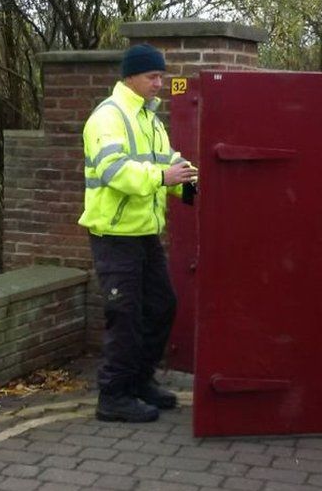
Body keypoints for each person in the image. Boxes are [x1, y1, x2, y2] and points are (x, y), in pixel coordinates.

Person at [79, 43, 198, 423]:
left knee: (162, 307)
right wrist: (164, 177)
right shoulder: (107, 118)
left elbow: (172, 164)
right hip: (114, 236)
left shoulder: (150, 120)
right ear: (130, 76)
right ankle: (113, 396)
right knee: (125, 315)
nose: (159, 83)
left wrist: (195, 185)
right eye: (152, 76)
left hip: (144, 234)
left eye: (161, 76)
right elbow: (115, 172)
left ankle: (140, 381)